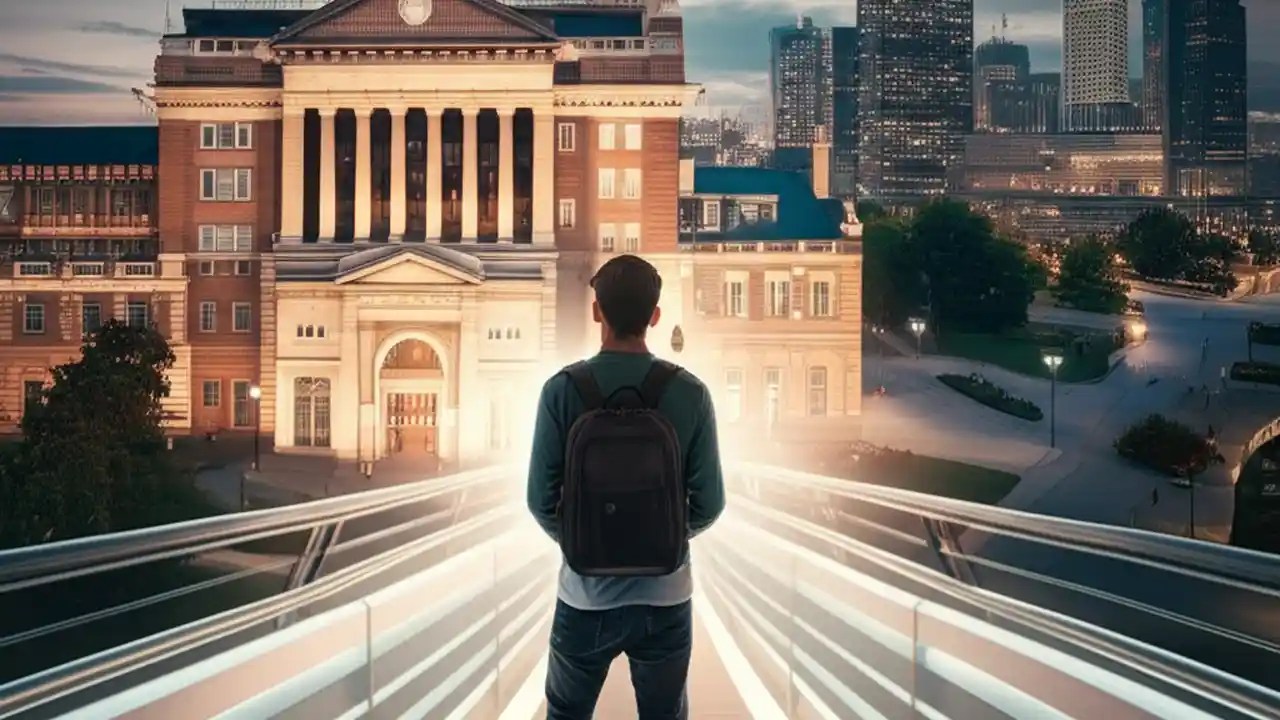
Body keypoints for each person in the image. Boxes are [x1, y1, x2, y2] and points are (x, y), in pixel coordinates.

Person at [527, 254, 725, 720]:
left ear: (597, 310)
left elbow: (539, 500)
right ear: (655, 317)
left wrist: (587, 541)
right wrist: (662, 536)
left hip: (584, 596)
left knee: (566, 713)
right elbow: (710, 503)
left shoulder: (560, 391)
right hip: (665, 597)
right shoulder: (691, 393)